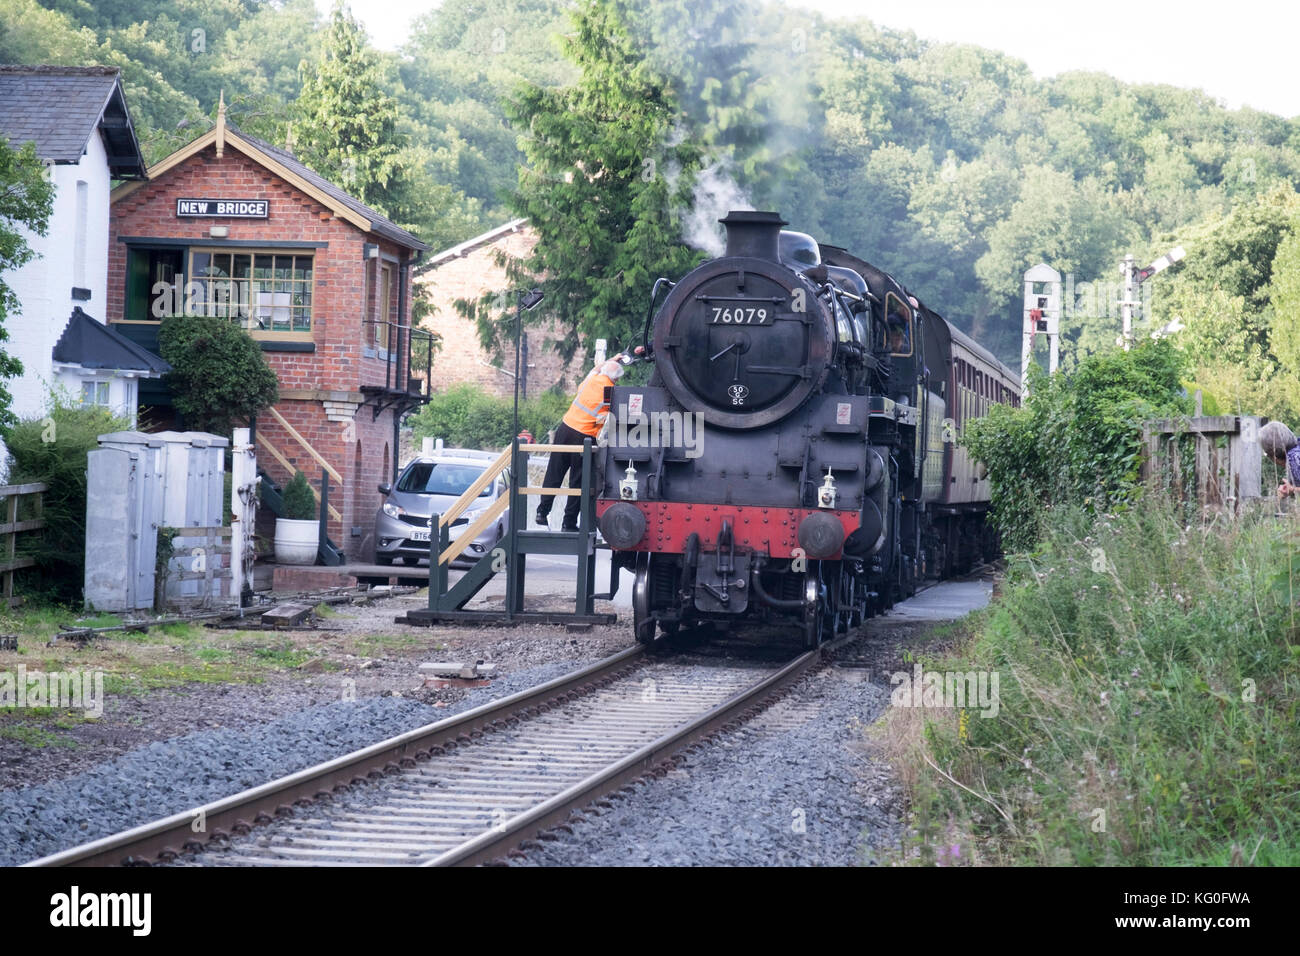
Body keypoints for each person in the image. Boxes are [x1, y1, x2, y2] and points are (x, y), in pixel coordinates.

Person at [535, 350, 638, 531]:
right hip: (583, 437)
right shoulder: (612, 391)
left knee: (554, 472)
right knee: (577, 481)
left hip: (564, 429)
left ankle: (542, 512)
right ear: (616, 379)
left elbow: (597, 368)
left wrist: (612, 359)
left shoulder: (592, 379)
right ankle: (568, 523)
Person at [1260, 420, 1300, 497]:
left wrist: (1293, 489)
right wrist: (1290, 489)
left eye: (1267, 454)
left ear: (1273, 454)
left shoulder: (1294, 459)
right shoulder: (1296, 450)